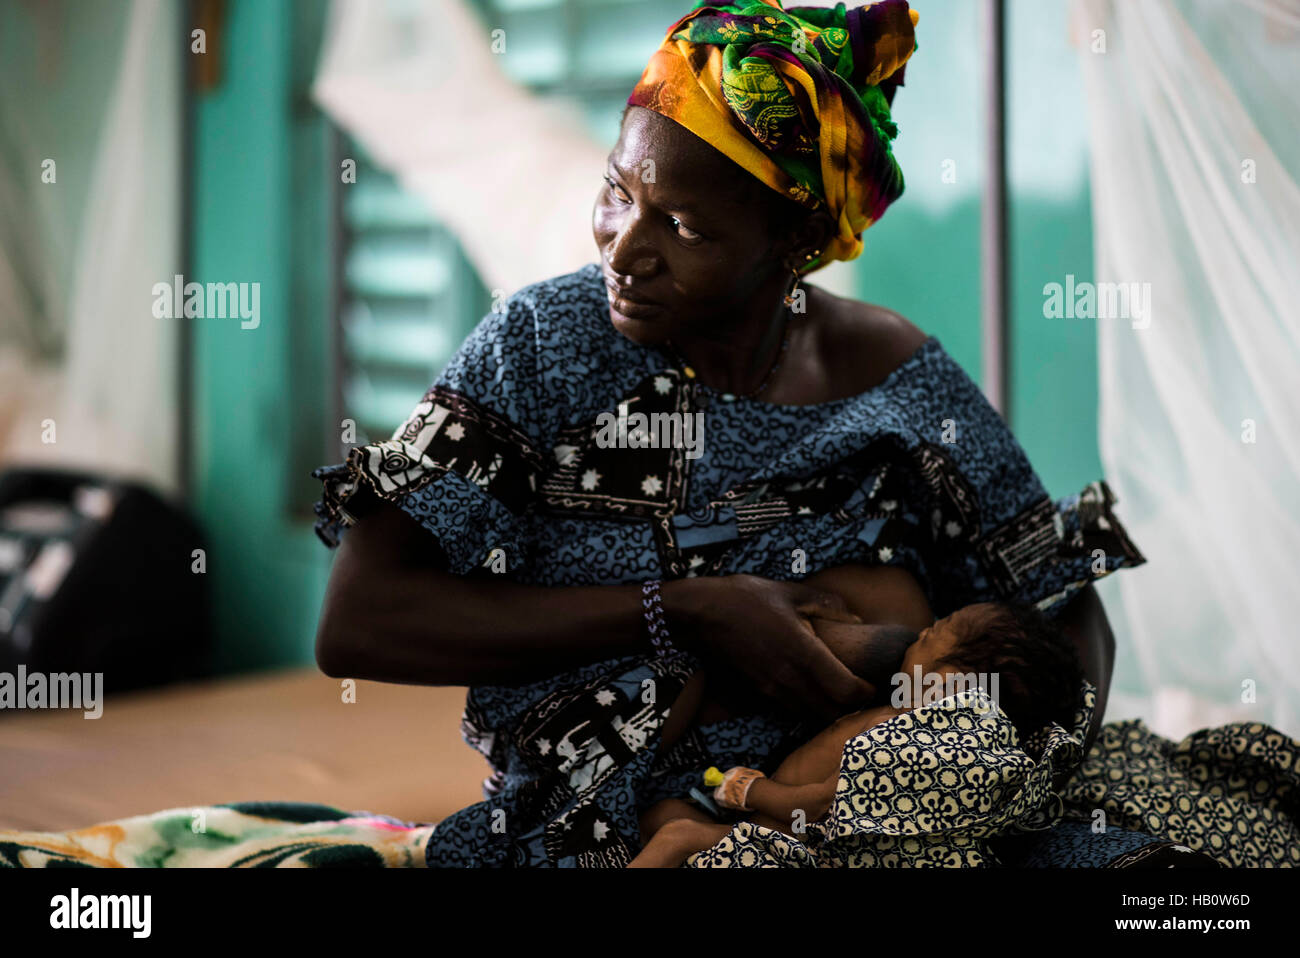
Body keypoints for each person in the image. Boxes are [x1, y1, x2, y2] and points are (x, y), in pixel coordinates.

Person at [311, 0, 1145, 867]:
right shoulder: (540, 349)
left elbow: (1065, 608)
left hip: (877, 809)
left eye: (682, 226)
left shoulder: (897, 380)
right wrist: (682, 613)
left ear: (797, 239)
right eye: (616, 191)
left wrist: (1001, 780)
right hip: (609, 824)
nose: (622, 249)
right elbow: (358, 622)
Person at [628, 584, 1088, 867]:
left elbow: (823, 802)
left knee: (678, 835)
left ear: (950, 682)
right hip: (762, 827)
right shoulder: (900, 718)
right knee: (663, 815)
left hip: (788, 843)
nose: (920, 633)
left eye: (933, 634)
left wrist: (755, 790)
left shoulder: (902, 743)